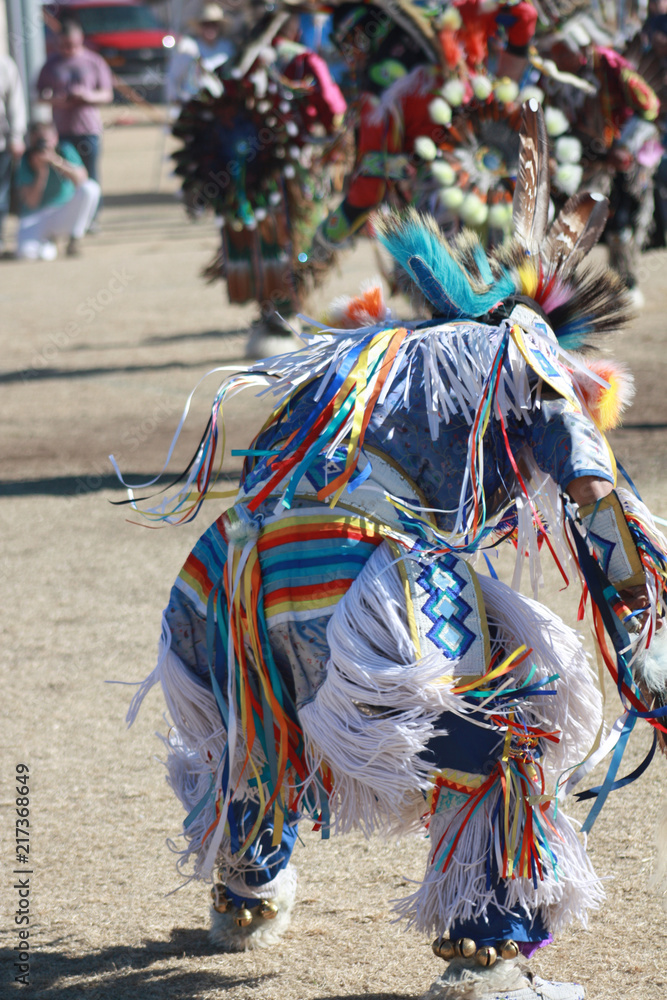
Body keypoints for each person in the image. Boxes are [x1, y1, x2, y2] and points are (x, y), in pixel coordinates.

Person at [119, 102, 667, 1000]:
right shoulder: (520, 352)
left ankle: (247, 889)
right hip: (363, 566)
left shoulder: (381, 350)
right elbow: (591, 491)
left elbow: (275, 459)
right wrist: (643, 622)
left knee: (266, 709)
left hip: (235, 566)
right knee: (515, 709)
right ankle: (483, 955)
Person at [37, 18, 113, 223]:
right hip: (62, 130)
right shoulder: (51, 64)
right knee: (66, 176)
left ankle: (92, 219)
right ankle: (69, 218)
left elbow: (107, 94)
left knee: (91, 176)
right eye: (63, 45)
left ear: (80, 40)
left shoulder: (94, 61)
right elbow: (38, 95)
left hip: (88, 129)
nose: (67, 49)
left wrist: (87, 96)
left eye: (71, 45)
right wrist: (58, 100)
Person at [15, 121, 100, 260]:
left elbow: (82, 179)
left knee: (90, 188)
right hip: (34, 217)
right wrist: (40, 173)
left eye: (45, 140)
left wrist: (56, 161)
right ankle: (49, 245)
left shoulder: (64, 150)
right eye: (37, 141)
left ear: (55, 138)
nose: (42, 146)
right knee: (28, 254)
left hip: (61, 212)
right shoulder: (26, 159)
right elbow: (32, 203)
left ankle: (74, 239)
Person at [166, 3, 235, 113]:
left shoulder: (227, 49)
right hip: (194, 103)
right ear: (200, 27)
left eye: (213, 24)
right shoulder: (189, 47)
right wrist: (174, 99)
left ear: (219, 27)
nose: (210, 28)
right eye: (206, 24)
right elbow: (173, 75)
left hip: (221, 105)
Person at [0, 53, 27, 257]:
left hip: (1, 144)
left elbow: (15, 102)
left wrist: (16, 136)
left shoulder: (5, 65)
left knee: (1, 194)